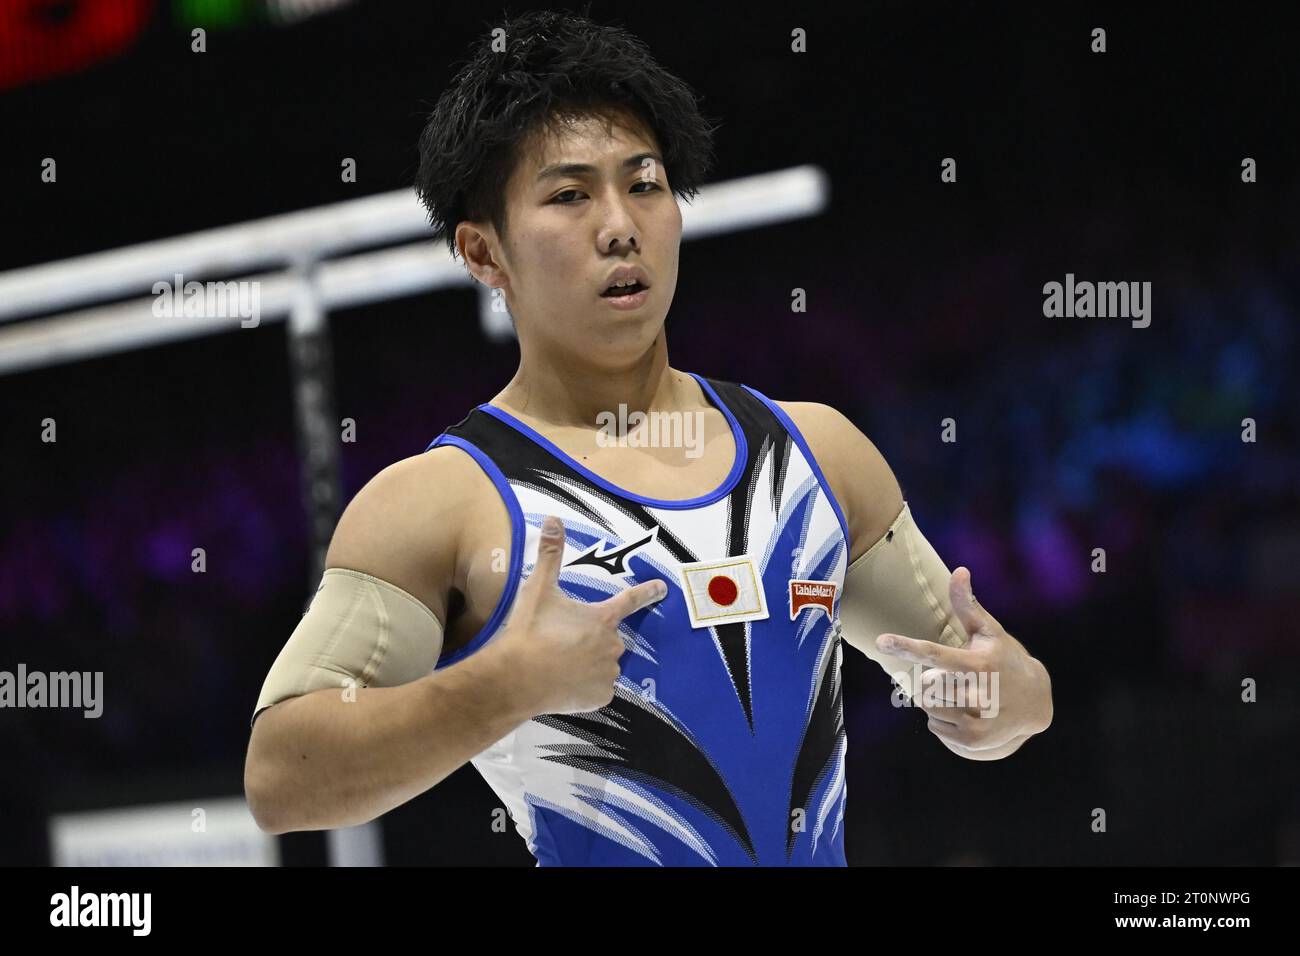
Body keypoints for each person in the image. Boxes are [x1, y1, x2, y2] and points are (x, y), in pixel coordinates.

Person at [243, 9, 1053, 866]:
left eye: (644, 182)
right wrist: (501, 685)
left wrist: (1000, 701)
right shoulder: (440, 506)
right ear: (483, 254)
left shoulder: (818, 455)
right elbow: (281, 779)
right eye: (569, 195)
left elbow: (1009, 697)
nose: (620, 225)